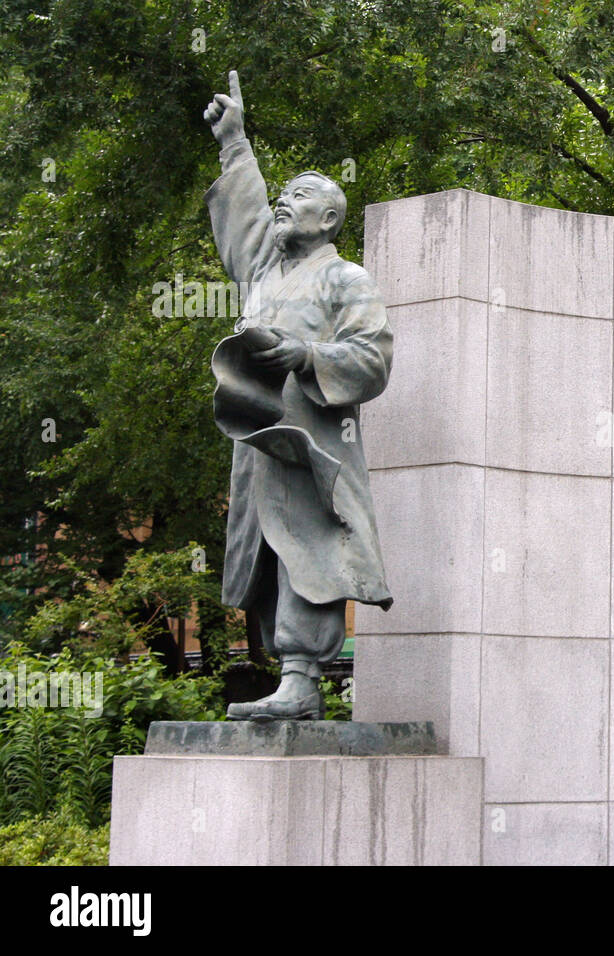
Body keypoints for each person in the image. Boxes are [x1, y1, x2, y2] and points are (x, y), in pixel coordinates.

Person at [203, 71, 393, 719]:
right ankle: (291, 683)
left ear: (330, 217)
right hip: (258, 444)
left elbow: (372, 359)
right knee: (261, 558)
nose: (284, 200)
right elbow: (245, 216)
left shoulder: (345, 279)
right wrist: (234, 141)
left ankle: (303, 676)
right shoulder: (265, 271)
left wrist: (306, 355)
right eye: (284, 193)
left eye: (300, 194)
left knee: (304, 549)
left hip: (313, 448)